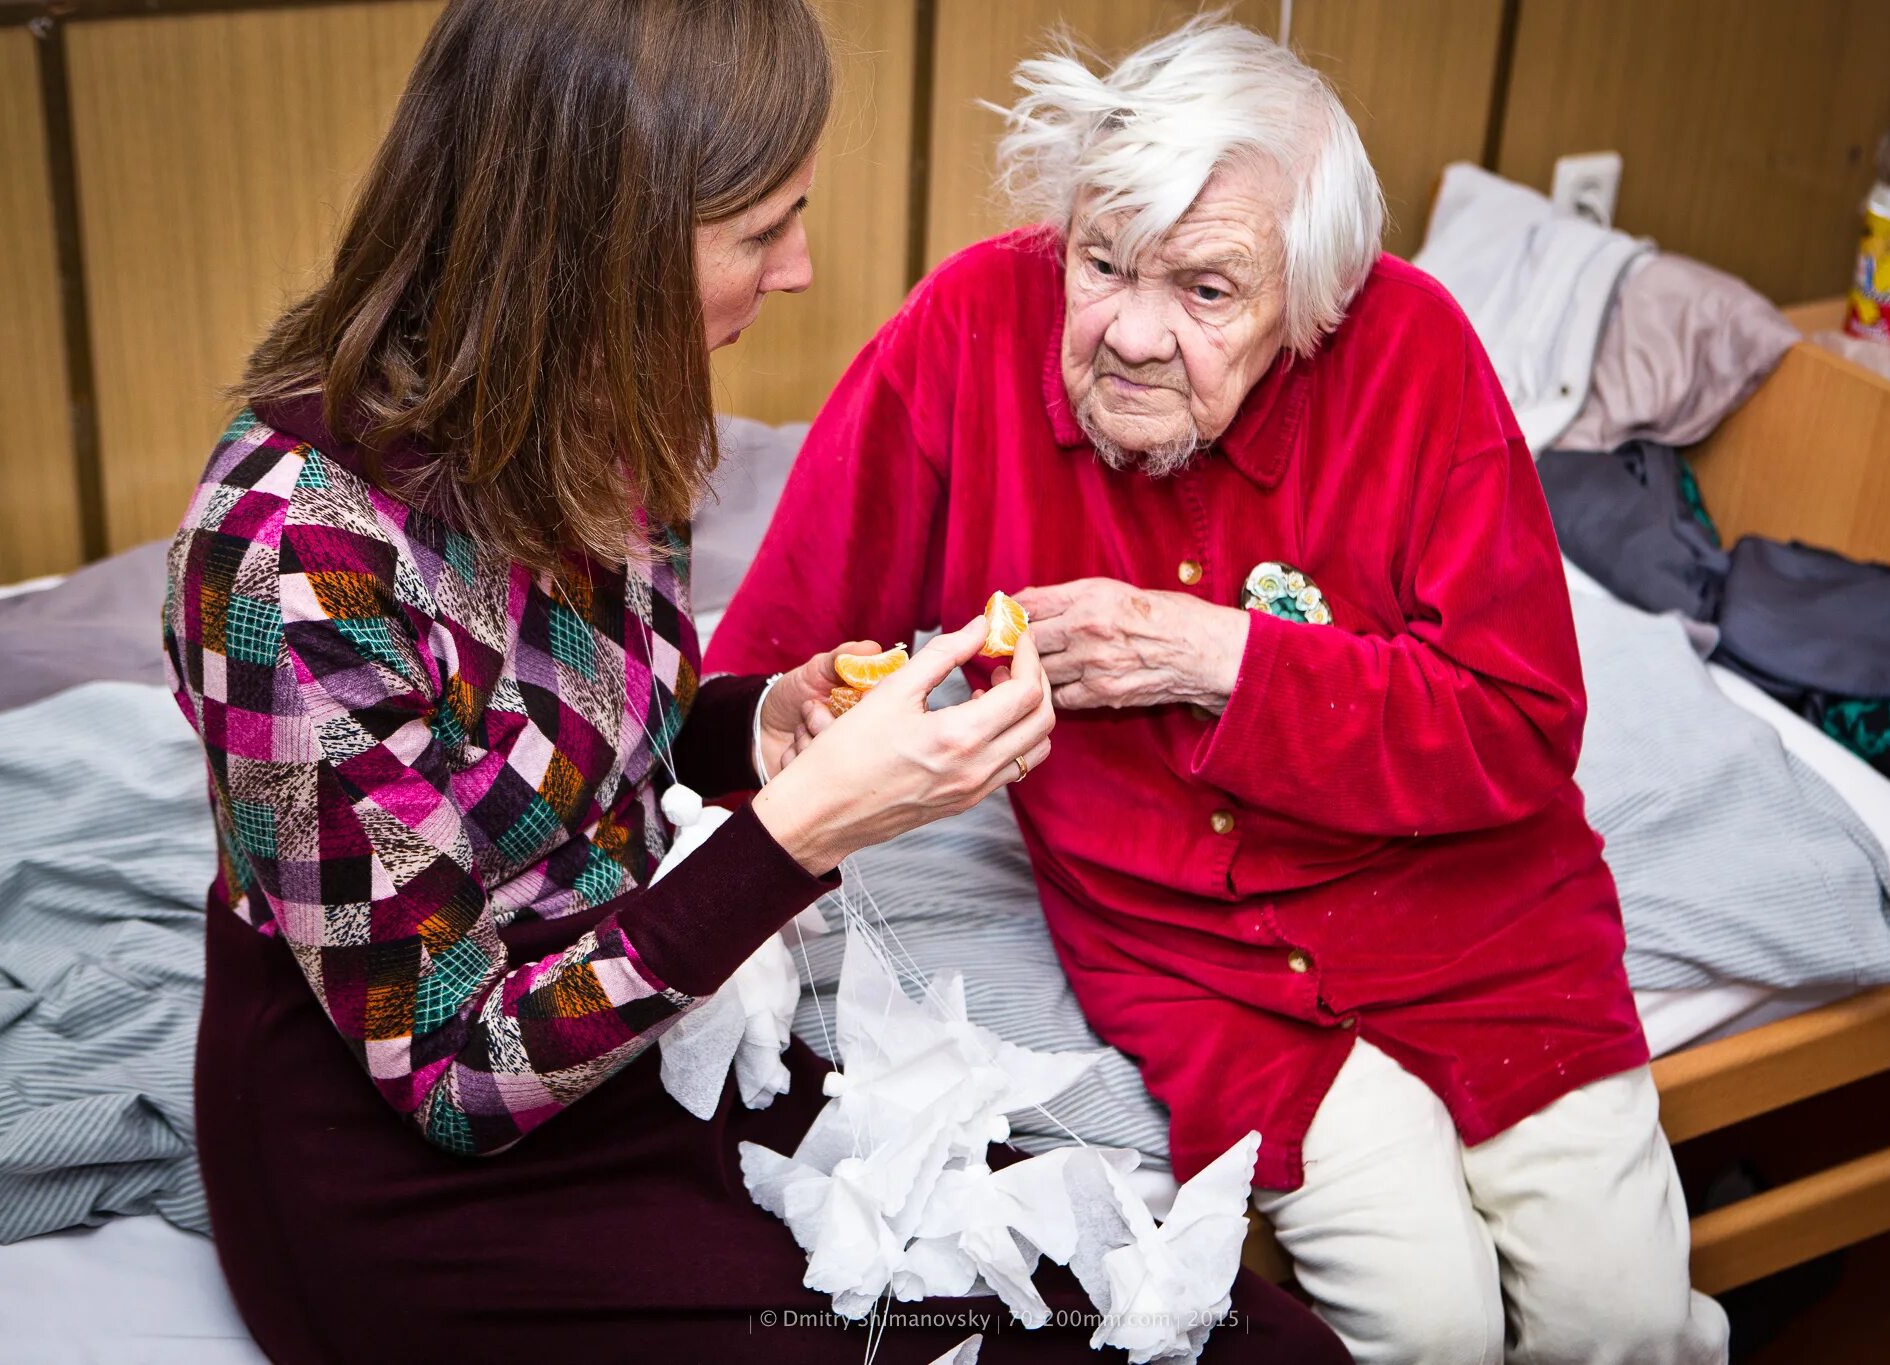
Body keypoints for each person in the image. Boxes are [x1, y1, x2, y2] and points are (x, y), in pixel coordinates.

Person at [161, 2, 1340, 1359]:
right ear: (603, 248)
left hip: (623, 1019)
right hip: (416, 1161)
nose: (800, 268)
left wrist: (760, 716)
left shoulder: (591, 406)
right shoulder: (286, 556)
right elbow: (451, 1070)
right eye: (762, 228)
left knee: (1235, 1334)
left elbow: (580, 742)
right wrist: (803, 832)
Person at [712, 18, 1730, 1365]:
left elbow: (1523, 723)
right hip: (1196, 966)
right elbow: (772, 665)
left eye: (1205, 291)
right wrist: (804, 723)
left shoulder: (1414, 349)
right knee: (1427, 1325)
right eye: (1101, 261)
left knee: (1627, 1318)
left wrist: (1214, 657)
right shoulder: (967, 328)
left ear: (1309, 304)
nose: (1129, 333)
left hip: (1480, 921)